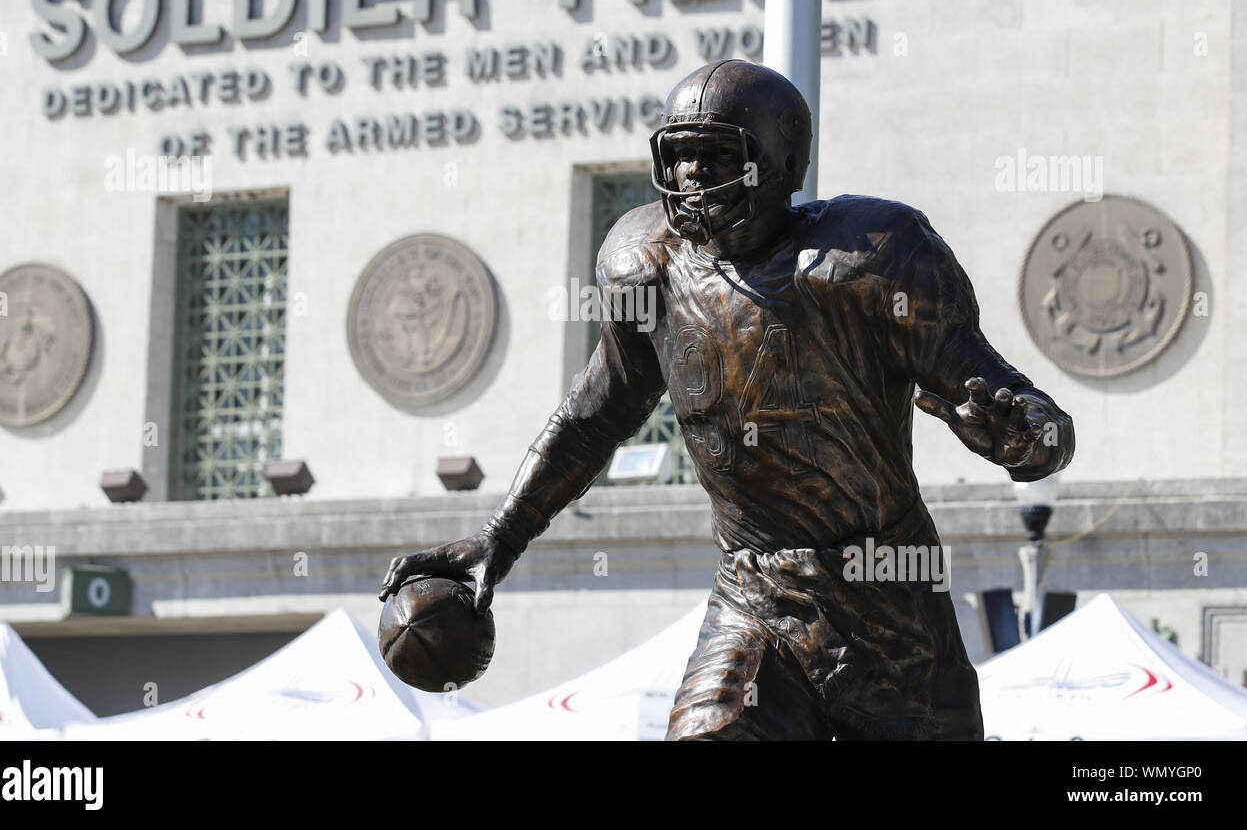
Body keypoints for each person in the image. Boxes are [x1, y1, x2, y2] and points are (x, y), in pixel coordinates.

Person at [380, 59, 1075, 740]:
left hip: (884, 590)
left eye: (716, 156)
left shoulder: (871, 256)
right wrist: (497, 540)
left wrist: (1025, 440)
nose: (691, 176)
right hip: (754, 591)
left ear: (787, 165)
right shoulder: (645, 263)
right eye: (679, 157)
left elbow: (1019, 408)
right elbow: (594, 418)